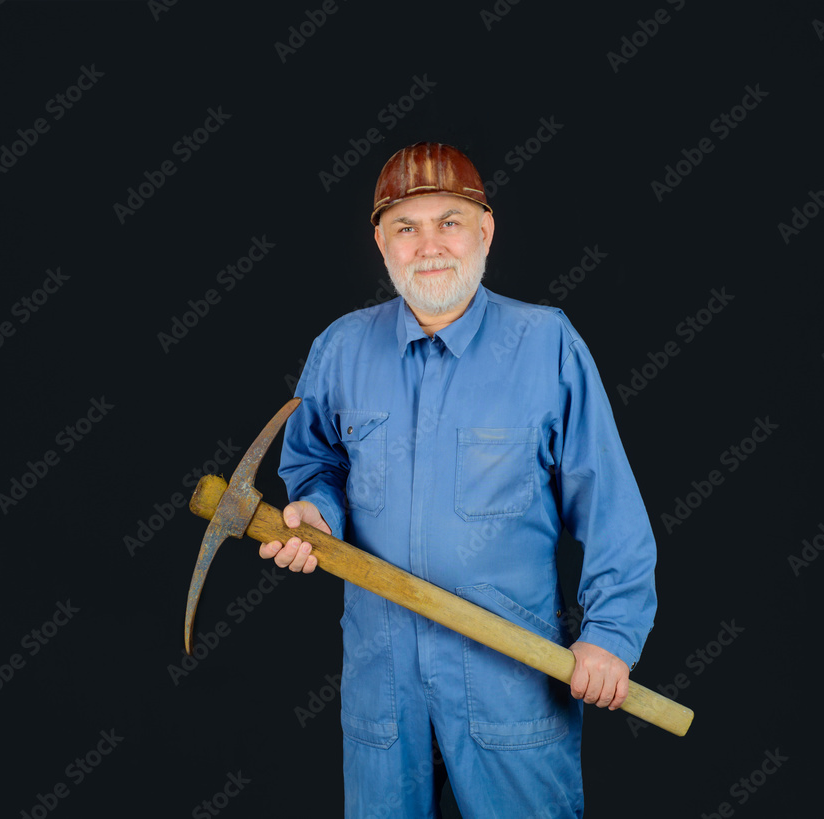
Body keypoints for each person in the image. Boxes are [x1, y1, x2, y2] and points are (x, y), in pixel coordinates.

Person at [260, 142, 657, 818]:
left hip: (513, 686)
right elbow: (313, 462)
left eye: (449, 220)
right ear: (380, 241)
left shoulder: (546, 344)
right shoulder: (340, 349)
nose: (430, 245)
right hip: (383, 689)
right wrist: (314, 510)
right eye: (407, 227)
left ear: (486, 230)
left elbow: (611, 506)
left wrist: (610, 634)